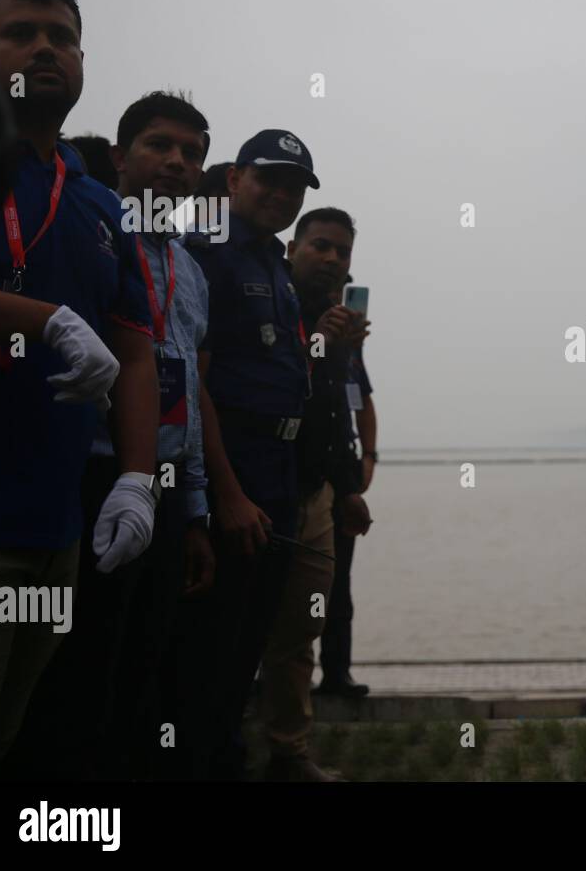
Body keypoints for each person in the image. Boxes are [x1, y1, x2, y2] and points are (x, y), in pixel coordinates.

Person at [0, 91, 222, 781]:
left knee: (137, 669)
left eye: (191, 154)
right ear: (121, 156)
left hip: (159, 482)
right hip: (85, 475)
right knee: (67, 679)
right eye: (160, 146)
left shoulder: (191, 271)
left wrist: (194, 510)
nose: (177, 164)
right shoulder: (86, 228)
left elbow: (188, 391)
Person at [0, 0, 159, 776]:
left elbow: (138, 345)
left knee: (8, 738)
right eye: (22, 33)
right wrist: (44, 319)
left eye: (63, 37)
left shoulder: (97, 201)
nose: (46, 48)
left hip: (56, 533)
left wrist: (138, 479)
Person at [184, 129, 320, 780]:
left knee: (247, 650)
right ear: (233, 178)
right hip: (231, 483)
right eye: (269, 179)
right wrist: (226, 495)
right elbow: (192, 381)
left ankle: (229, 760)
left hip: (277, 484)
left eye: (294, 186)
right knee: (210, 652)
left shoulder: (273, 260)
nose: (281, 194)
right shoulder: (208, 254)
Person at [261, 208, 370, 781]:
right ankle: (211, 744)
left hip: (317, 491)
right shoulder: (271, 301)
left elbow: (335, 411)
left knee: (304, 626)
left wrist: (349, 487)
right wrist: (324, 343)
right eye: (321, 246)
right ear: (292, 249)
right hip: (260, 488)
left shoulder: (337, 321)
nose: (332, 259)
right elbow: (275, 387)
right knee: (239, 625)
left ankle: (288, 750)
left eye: (343, 252)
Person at [317, 274, 376, 699]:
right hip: (305, 467)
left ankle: (337, 674)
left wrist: (370, 456)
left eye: (344, 295)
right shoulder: (303, 335)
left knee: (340, 583)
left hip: (346, 468)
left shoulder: (351, 351)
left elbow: (364, 401)